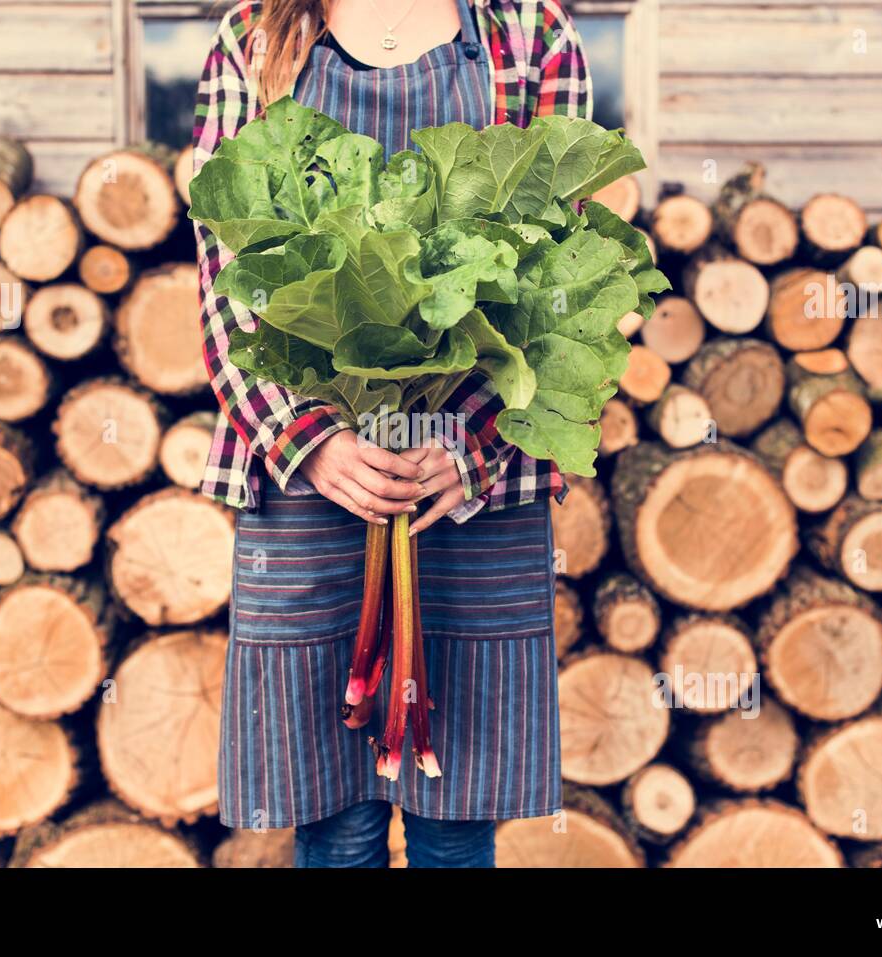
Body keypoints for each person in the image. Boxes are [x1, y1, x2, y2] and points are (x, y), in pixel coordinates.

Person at [191, 0, 593, 867]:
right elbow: (227, 281)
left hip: (472, 483)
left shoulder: (531, 33)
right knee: (336, 825)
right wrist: (311, 442)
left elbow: (562, 268)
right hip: (313, 472)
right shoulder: (254, 35)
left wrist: (473, 449)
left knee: (457, 822)